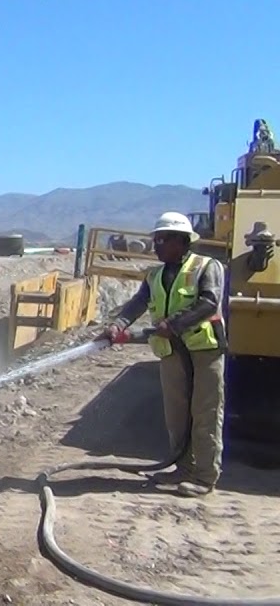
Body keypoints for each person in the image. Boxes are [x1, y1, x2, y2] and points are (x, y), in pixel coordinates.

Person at [100, 211, 227, 497]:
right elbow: (139, 302)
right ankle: (182, 468)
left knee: (205, 412)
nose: (155, 244)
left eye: (162, 239)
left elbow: (209, 302)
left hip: (203, 350)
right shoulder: (155, 274)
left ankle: (205, 477)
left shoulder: (207, 266)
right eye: (155, 239)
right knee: (176, 415)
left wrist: (175, 324)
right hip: (171, 352)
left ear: (181, 241)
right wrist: (118, 325)